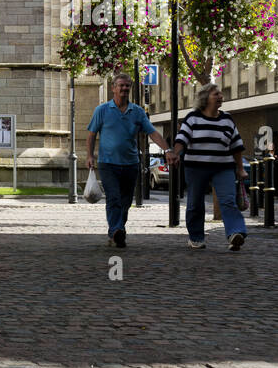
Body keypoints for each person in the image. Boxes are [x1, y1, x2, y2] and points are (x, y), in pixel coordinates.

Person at [86, 73, 173, 248]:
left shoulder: (138, 112)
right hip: (108, 163)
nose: (124, 89)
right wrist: (89, 155)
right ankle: (116, 230)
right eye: (121, 85)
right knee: (114, 198)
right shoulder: (101, 110)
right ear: (113, 88)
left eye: (127, 86)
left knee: (125, 201)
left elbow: (152, 132)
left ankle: (118, 230)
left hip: (131, 164)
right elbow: (92, 134)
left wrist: (167, 149)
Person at [170, 84, 247, 251]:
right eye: (216, 94)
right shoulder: (193, 118)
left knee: (228, 200)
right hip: (196, 167)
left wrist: (240, 168)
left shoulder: (227, 118)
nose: (220, 96)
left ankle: (235, 233)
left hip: (223, 167)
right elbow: (181, 139)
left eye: (220, 94)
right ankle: (196, 237)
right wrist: (175, 153)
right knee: (195, 203)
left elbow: (236, 145)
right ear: (205, 98)